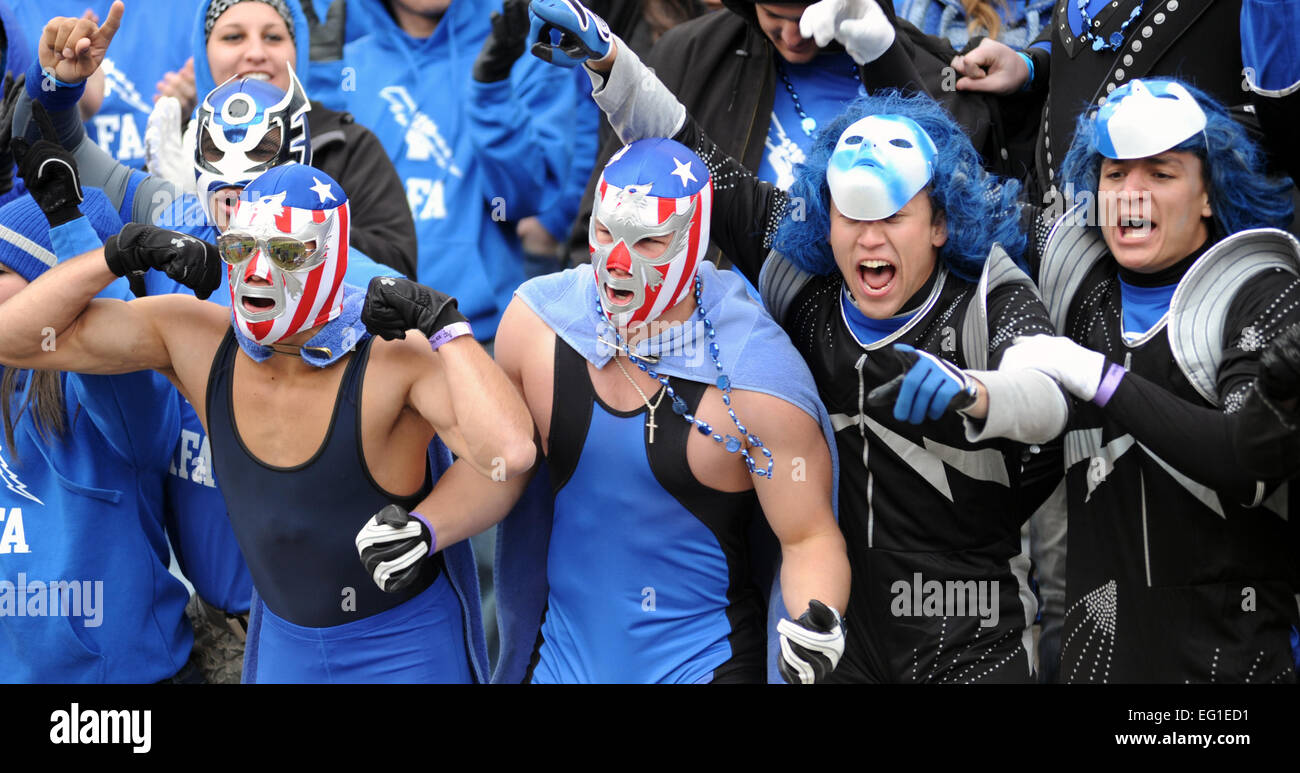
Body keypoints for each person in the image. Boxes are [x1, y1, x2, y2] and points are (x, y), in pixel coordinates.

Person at [530, 0, 1070, 682]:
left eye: (893, 216)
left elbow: (1051, 395)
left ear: (938, 222)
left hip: (964, 632)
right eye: (851, 213)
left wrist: (980, 393)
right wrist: (609, 58)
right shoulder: (805, 269)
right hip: (833, 626)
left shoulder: (991, 294)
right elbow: (694, 153)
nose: (868, 237)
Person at [0, 139, 536, 682]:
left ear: (333, 259)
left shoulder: (394, 357)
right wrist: (118, 253)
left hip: (401, 647)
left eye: (284, 252)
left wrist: (449, 331)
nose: (255, 271)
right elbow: (12, 339)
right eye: (239, 249)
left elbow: (507, 457)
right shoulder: (194, 337)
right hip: (284, 647)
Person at [365, 132, 852, 683]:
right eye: (605, 232)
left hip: (703, 665)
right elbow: (508, 468)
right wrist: (426, 528)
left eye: (647, 242)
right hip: (561, 661)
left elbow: (808, 535)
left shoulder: (755, 376)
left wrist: (819, 620)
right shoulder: (541, 322)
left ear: (695, 240)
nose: (618, 262)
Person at [1000, 78, 1300, 682]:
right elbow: (946, 197)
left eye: (1160, 174)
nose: (1130, 195)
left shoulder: (1261, 290)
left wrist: (1095, 375)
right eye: (1115, 176)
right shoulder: (1079, 277)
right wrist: (878, 52)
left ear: (1210, 192)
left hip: (1230, 670)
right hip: (1097, 663)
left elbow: (1246, 458)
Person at [563, 0, 1006, 267]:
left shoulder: (934, 74)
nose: (793, 36)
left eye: (807, 15)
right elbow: (601, 222)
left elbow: (970, 225)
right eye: (775, 15)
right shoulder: (689, 55)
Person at [0, 187, 195, 683]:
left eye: (0, 271)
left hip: (120, 685)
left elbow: (120, 354)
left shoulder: (115, 396)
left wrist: (81, 243)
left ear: (54, 283)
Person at [310, 0, 577, 342]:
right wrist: (322, 86)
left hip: (481, 333)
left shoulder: (516, 52)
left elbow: (526, 198)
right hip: (364, 336)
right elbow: (320, 205)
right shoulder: (343, 66)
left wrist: (492, 91)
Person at [148, 0, 419, 276]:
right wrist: (187, 211)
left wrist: (297, 221)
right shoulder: (174, 151)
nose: (256, 53)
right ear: (203, 55)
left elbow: (398, 268)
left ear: (298, 51)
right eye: (233, 37)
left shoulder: (347, 145)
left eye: (273, 37)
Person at [951, 0, 1300, 207]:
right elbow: (1083, 27)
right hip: (1059, 253)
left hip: (1194, 262)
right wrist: (1031, 64)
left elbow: (1280, 114)